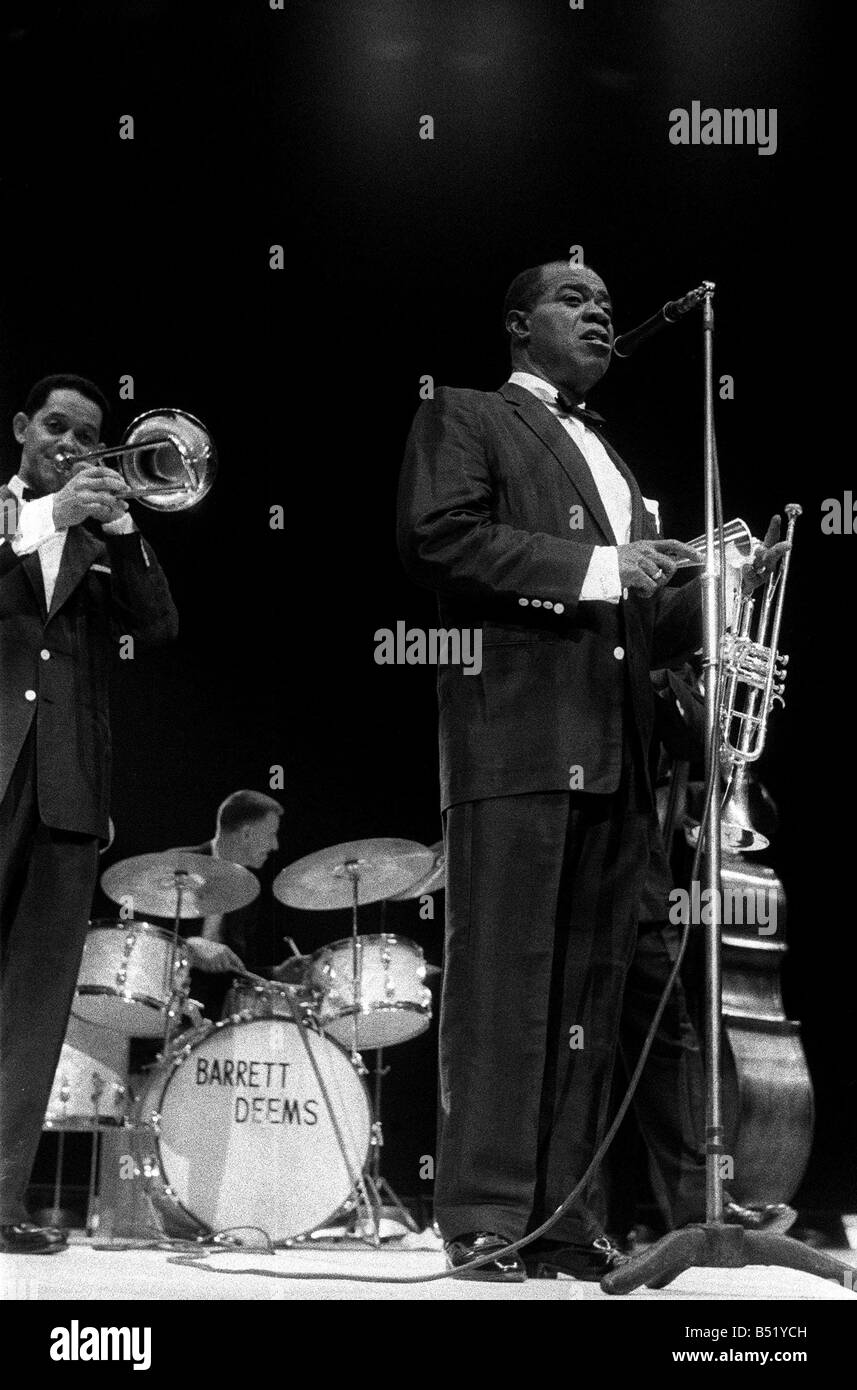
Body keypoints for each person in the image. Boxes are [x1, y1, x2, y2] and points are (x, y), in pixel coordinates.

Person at [397, 261, 786, 1281]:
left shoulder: (611, 455)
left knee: (588, 995)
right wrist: (611, 567)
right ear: (519, 326)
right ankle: (483, 1214)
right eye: (573, 299)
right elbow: (440, 538)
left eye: (606, 304)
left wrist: (711, 593)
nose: (598, 310)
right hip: (518, 739)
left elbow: (631, 620)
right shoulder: (469, 415)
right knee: (507, 986)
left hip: (620, 757)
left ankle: (563, 1216)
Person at [0, 374, 179, 1254]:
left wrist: (121, 527)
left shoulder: (100, 537)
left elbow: (161, 627)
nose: (71, 443)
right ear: (23, 429)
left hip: (66, 789)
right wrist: (51, 515)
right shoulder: (14, 514)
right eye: (57, 427)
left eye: (88, 433)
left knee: (30, 1009)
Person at [177, 789, 283, 1019]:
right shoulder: (175, 867)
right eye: (271, 834)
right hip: (166, 1004)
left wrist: (277, 973)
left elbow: (238, 969)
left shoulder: (250, 891)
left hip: (215, 1017)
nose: (275, 845)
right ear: (246, 834)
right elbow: (139, 943)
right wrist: (189, 947)